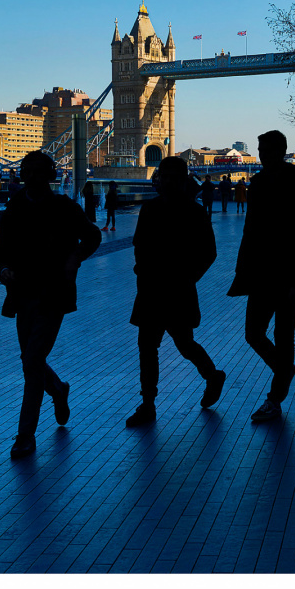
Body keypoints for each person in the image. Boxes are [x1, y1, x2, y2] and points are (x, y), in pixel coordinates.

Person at [0, 151, 102, 457]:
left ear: (50, 175)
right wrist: (4, 270)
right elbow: (0, 253)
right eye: (27, 172)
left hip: (53, 294)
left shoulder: (64, 207)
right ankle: (58, 389)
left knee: (32, 361)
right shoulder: (14, 208)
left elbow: (92, 236)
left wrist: (74, 258)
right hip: (22, 294)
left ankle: (25, 435)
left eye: (39, 172)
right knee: (31, 359)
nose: (32, 178)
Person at [124, 158, 227, 426]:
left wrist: (185, 278)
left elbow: (208, 252)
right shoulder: (168, 210)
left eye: (173, 177)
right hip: (158, 289)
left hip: (170, 289)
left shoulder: (184, 212)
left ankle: (209, 377)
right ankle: (150, 402)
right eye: (165, 176)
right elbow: (140, 245)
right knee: (156, 346)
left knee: (176, 344)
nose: (167, 181)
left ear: (182, 181)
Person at [228, 129, 295, 422]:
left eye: (267, 151)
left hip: (288, 275)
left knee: (283, 336)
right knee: (254, 334)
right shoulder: (258, 183)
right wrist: (243, 269)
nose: (263, 156)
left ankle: (275, 398)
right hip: (262, 273)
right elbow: (250, 230)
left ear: (281, 151)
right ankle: (284, 369)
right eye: (261, 151)